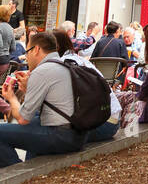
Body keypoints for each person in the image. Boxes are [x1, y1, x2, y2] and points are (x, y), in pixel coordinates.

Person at [0, 31, 86, 165]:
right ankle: (29, 165)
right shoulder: (65, 64)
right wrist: (28, 89)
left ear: (36, 49)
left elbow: (23, 119)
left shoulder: (41, 71)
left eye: (27, 51)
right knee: (34, 123)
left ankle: (17, 171)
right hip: (78, 134)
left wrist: (11, 98)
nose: (26, 57)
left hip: (61, 135)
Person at [51, 28, 120, 145]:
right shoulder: (76, 60)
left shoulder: (63, 65)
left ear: (56, 48)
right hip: (111, 119)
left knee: (48, 134)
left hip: (103, 122)